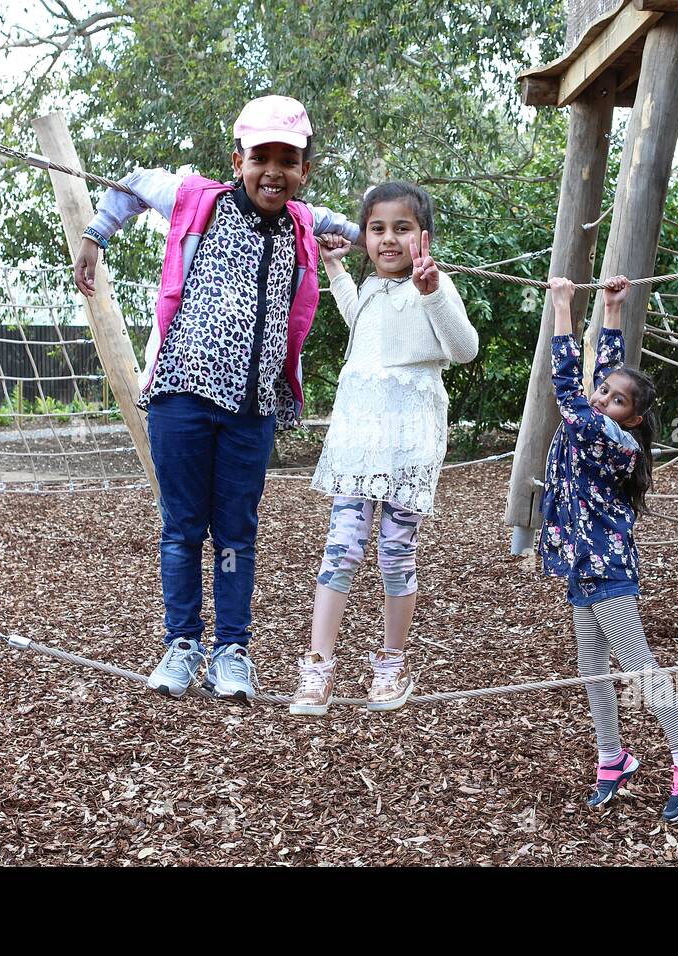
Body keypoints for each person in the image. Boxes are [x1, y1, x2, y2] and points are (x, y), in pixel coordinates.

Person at [74, 95, 358, 702]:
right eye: (261, 157)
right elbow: (128, 185)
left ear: (305, 169)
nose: (273, 171)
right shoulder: (195, 199)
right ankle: (182, 644)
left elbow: (364, 233)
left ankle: (231, 650)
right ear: (239, 159)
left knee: (236, 532)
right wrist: (95, 236)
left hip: (253, 409)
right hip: (182, 395)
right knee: (181, 528)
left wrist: (392, 247)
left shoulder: (307, 223)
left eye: (289, 159)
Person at [288, 182, 478, 716]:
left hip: (408, 445)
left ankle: (391, 663)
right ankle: (318, 666)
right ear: (365, 235)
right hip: (360, 442)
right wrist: (337, 271)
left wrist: (432, 292)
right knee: (342, 549)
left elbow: (463, 350)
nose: (389, 238)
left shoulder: (436, 287)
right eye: (377, 228)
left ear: (424, 237)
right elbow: (361, 324)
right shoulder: (371, 287)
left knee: (396, 555)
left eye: (402, 228)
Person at [538, 274, 678, 823]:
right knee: (593, 666)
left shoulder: (610, 440)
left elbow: (569, 389)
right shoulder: (602, 421)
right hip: (580, 564)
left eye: (617, 401)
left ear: (632, 419)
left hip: (607, 568)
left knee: (638, 664)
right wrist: (612, 309)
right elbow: (600, 380)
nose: (604, 399)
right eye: (605, 395)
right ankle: (612, 756)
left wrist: (563, 309)